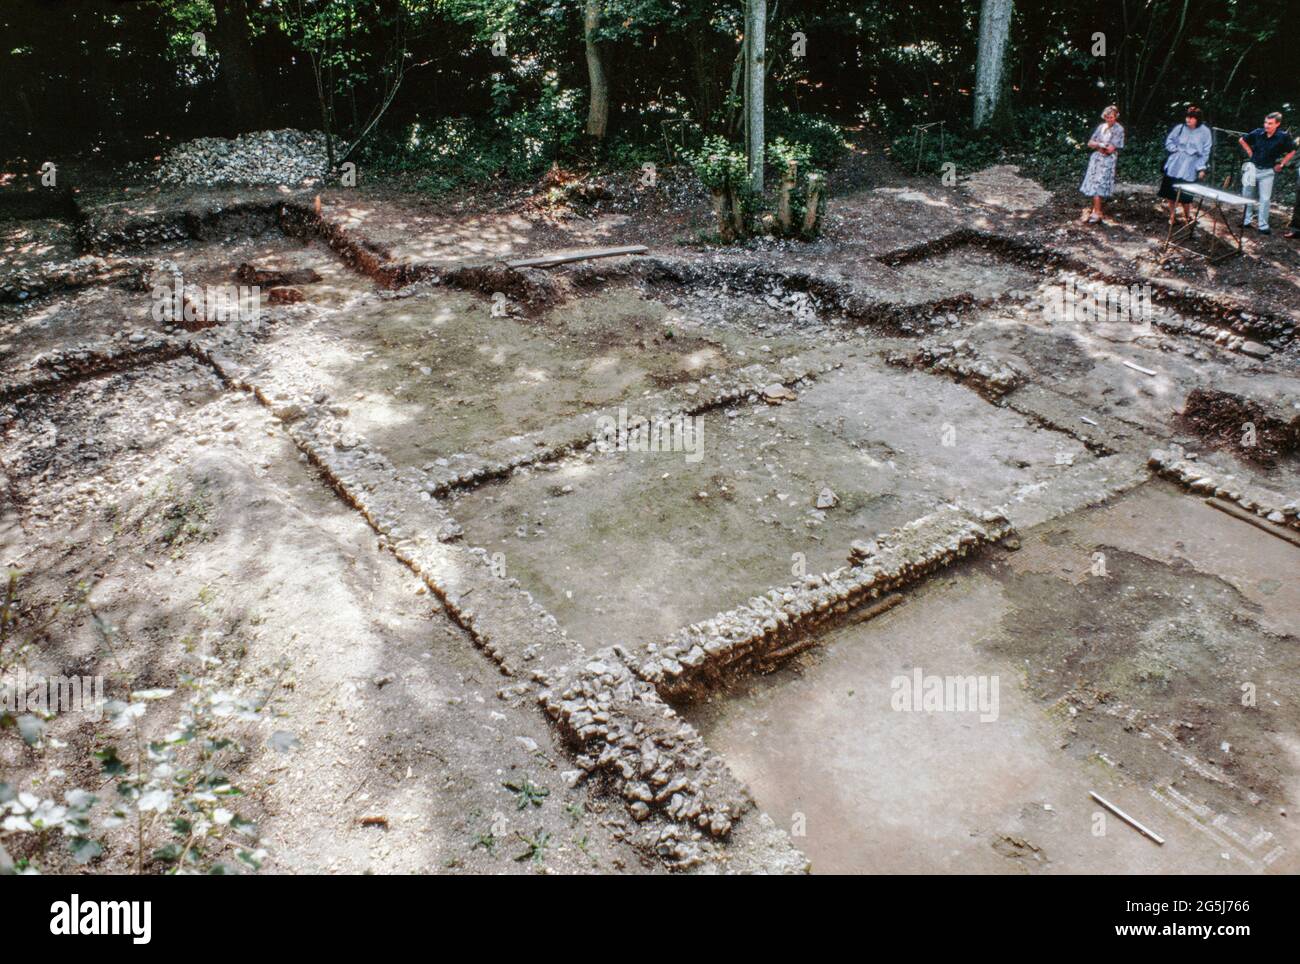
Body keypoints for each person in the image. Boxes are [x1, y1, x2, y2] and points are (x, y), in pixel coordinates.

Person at [1239, 112, 1296, 235]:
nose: (1266, 125)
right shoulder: (1258, 132)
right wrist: (1250, 153)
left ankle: (1263, 226)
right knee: (1246, 195)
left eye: (1270, 123)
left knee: (1264, 199)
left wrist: (1281, 164)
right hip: (1252, 168)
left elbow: (1292, 150)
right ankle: (1246, 220)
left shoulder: (1282, 137)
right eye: (1265, 122)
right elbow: (1242, 140)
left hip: (1268, 171)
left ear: (1278, 124)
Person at [1158, 106, 1211, 223]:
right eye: (1187, 117)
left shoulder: (1205, 132)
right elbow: (1169, 140)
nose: (1188, 120)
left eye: (1192, 118)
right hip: (1175, 164)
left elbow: (1206, 152)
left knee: (1186, 195)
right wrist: (1175, 149)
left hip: (1190, 166)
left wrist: (1201, 168)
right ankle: (1172, 216)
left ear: (1197, 119)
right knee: (1171, 191)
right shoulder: (1180, 128)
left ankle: (1187, 216)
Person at [1080, 106, 1125, 224]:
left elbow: (1110, 149)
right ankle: (1096, 209)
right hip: (1096, 158)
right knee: (1093, 183)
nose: (1109, 119)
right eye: (1107, 117)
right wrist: (1101, 144)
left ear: (1116, 116)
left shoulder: (1119, 129)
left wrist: (1099, 145)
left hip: (1108, 160)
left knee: (1099, 184)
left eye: (1111, 117)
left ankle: (1097, 212)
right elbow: (1090, 143)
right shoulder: (1101, 127)